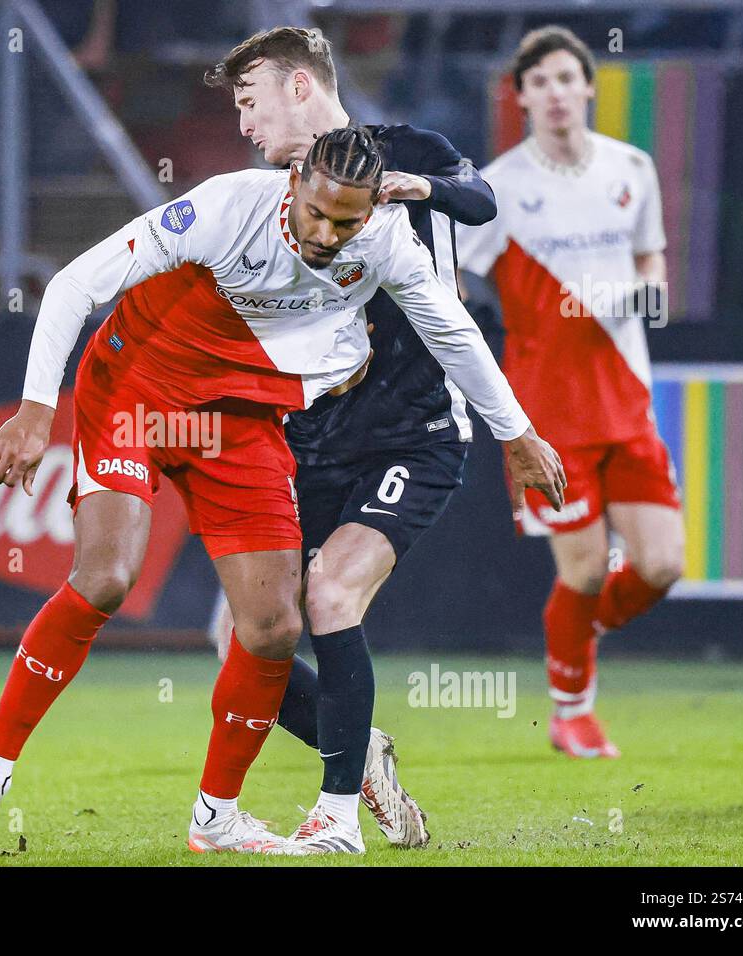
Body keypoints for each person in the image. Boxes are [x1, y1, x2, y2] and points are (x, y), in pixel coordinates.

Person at [0, 126, 560, 855]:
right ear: (295, 184)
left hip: (239, 420)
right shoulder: (228, 206)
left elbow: (454, 331)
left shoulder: (387, 239)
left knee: (271, 627)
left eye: (348, 220)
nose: (330, 234)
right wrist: (37, 410)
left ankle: (217, 816)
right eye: (319, 213)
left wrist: (516, 434)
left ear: (374, 208)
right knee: (107, 577)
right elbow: (78, 282)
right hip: (137, 395)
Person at [203, 26, 563, 853]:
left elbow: (478, 199)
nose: (245, 126)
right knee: (248, 640)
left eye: (251, 102)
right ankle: (364, 754)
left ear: (301, 87)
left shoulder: (407, 150)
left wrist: (417, 187)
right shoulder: (273, 194)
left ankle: (335, 819)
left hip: (416, 431)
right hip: (310, 433)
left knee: (330, 594)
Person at [456, 26, 684, 759]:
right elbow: (445, 272)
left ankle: (573, 633)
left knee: (661, 566)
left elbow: (653, 261)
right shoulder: (500, 187)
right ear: (520, 97)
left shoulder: (631, 168)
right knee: (582, 568)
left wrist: (647, 291)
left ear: (588, 86)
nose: (555, 93)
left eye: (565, 78)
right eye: (539, 83)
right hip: (547, 414)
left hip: (628, 398)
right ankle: (571, 710)